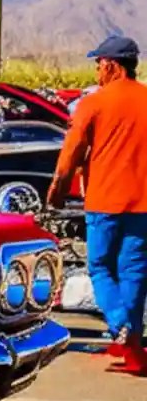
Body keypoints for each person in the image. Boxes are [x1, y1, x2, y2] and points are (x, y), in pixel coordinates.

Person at [48, 36, 147, 374]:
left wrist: (58, 187)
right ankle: (133, 350)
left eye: (97, 63)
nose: (96, 70)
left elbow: (72, 150)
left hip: (105, 200)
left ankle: (121, 326)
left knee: (100, 267)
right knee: (133, 269)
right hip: (143, 203)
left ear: (110, 65)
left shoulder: (94, 103)